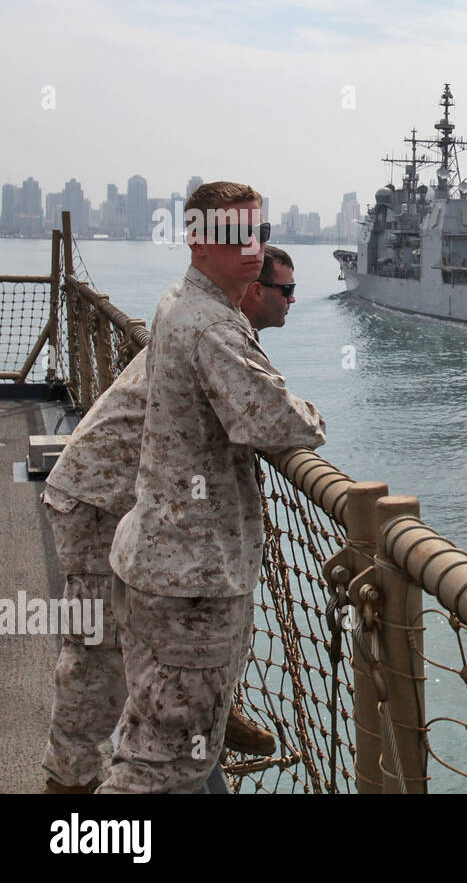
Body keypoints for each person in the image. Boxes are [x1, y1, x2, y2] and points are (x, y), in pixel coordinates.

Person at [40, 242, 303, 793]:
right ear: (255, 290)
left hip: (119, 500)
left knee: (134, 641)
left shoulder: (205, 323)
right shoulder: (215, 334)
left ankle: (206, 702)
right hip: (101, 500)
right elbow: (272, 420)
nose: (293, 300)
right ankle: (70, 784)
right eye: (285, 289)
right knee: (99, 655)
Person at [96, 183, 325, 794]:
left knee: (164, 750)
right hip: (190, 583)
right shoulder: (210, 327)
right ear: (197, 240)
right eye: (232, 236)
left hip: (164, 566)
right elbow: (274, 418)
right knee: (158, 769)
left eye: (256, 232)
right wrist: (313, 416)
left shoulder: (184, 304)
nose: (250, 249)